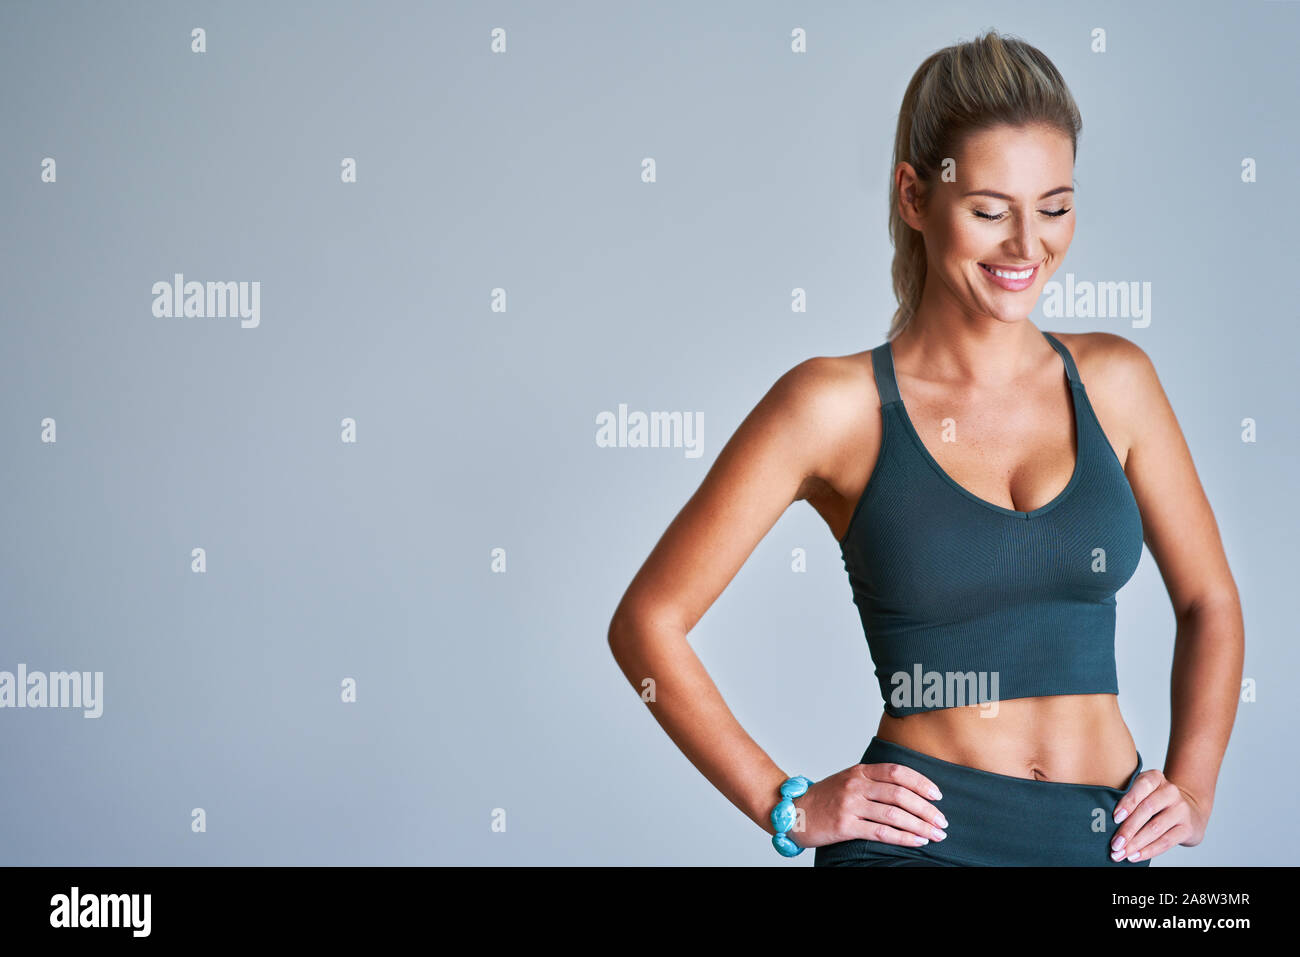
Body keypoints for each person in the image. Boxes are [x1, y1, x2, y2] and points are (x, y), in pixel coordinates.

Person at [606, 30, 1243, 866]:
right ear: (914, 196)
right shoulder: (835, 406)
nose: (1027, 246)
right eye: (989, 210)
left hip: (1104, 843)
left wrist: (1192, 787)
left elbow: (1210, 603)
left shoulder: (1116, 381)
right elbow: (647, 622)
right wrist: (784, 803)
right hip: (916, 848)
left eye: (1054, 206)